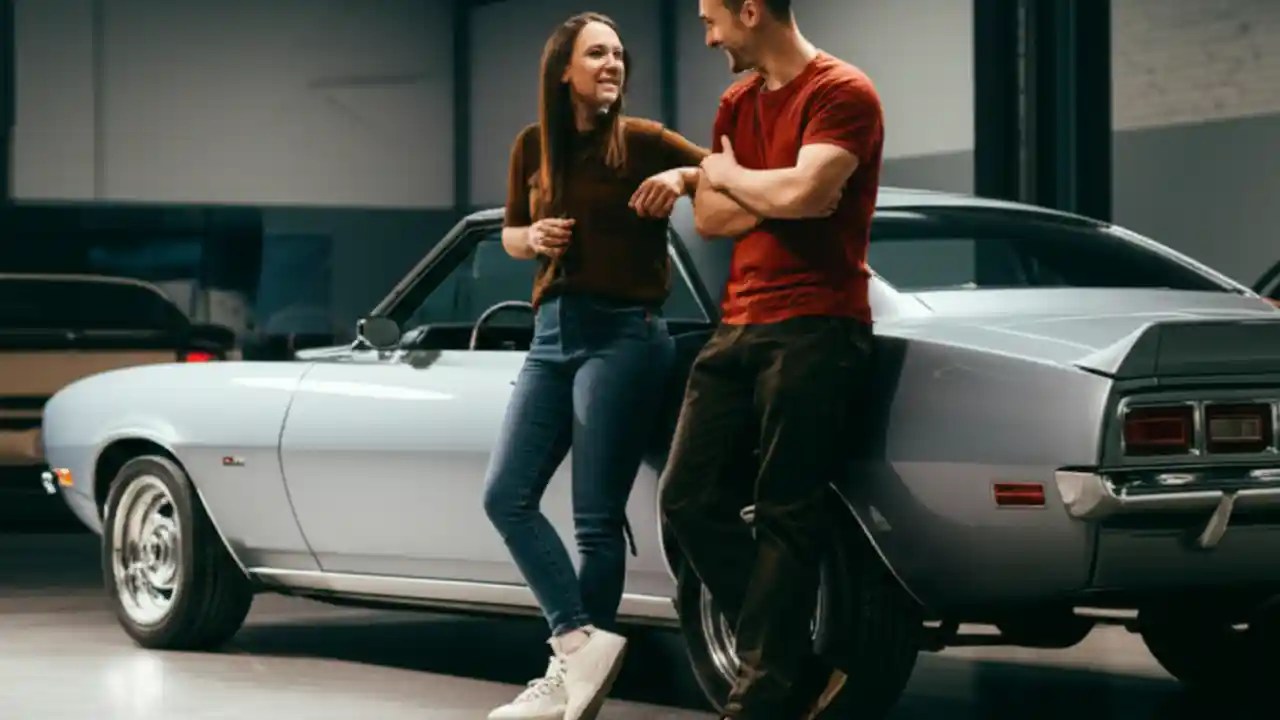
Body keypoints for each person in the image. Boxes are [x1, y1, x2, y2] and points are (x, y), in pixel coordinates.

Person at [659, 0, 885, 718]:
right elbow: (714, 217)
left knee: (788, 509)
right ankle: (796, 666)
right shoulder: (735, 101)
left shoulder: (842, 92)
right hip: (740, 324)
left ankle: (758, 702)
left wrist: (734, 175)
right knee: (687, 500)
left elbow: (806, 193)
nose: (707, 35)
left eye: (711, 19)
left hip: (819, 323)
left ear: (750, 10)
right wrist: (773, 191)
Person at [482, 11, 708, 720]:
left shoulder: (640, 142)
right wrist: (531, 235)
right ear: (563, 70)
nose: (612, 64)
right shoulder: (532, 147)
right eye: (596, 54)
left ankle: (570, 682)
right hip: (550, 334)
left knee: (594, 520)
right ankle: (579, 644)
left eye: (618, 54)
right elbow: (512, 233)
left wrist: (680, 174)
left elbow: (722, 171)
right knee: (505, 496)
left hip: (624, 336)